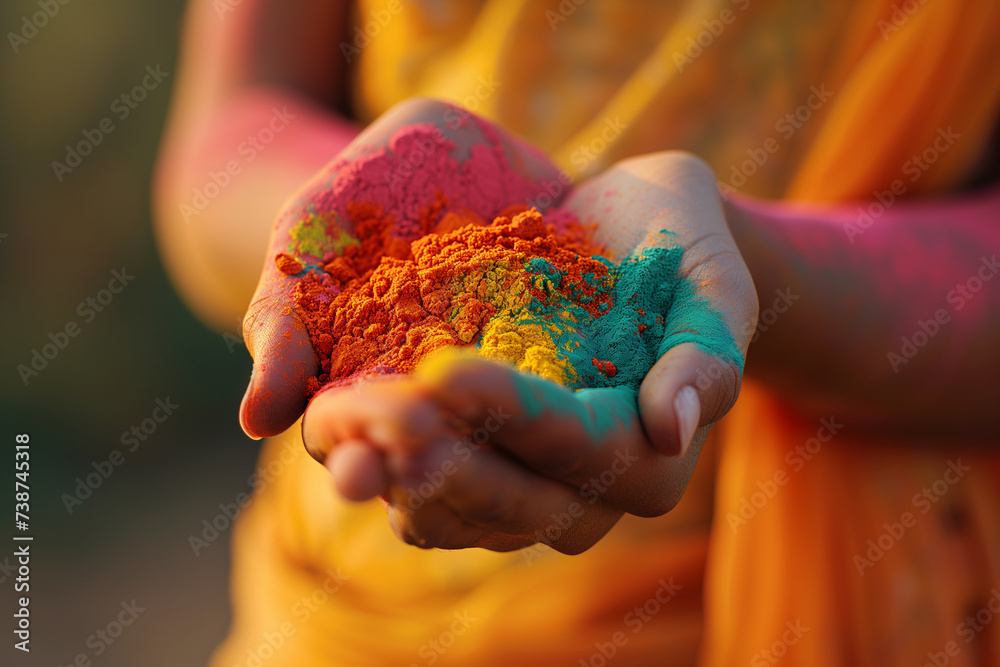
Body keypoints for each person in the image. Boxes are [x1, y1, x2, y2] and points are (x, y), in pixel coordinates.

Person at [154, 1, 1000, 665]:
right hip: (347, 613)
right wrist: (360, 221)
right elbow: (221, 135)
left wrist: (760, 271)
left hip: (806, 597)